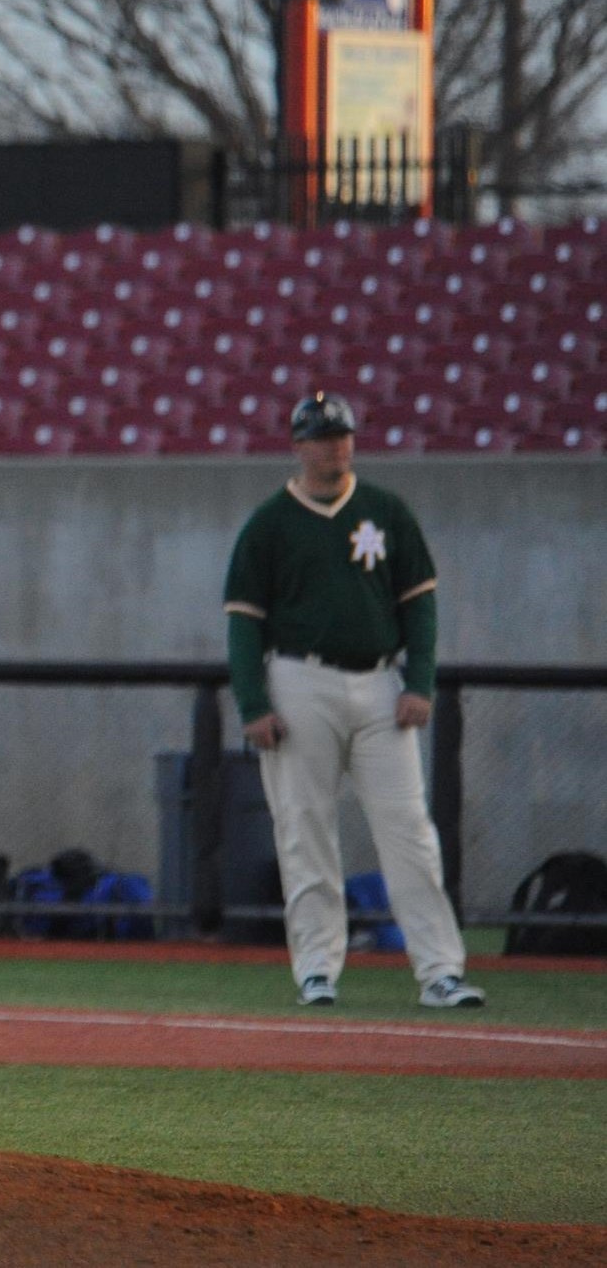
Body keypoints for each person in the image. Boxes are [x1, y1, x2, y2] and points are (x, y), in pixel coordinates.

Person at [223, 391, 485, 1009]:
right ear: (298, 445)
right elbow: (243, 620)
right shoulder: (270, 522)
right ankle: (316, 967)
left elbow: (418, 603)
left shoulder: (384, 510)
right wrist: (252, 702)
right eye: (321, 436)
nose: (334, 445)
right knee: (305, 828)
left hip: (378, 683)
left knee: (410, 831)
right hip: (298, 678)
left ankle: (440, 970)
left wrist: (420, 682)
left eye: (341, 435)